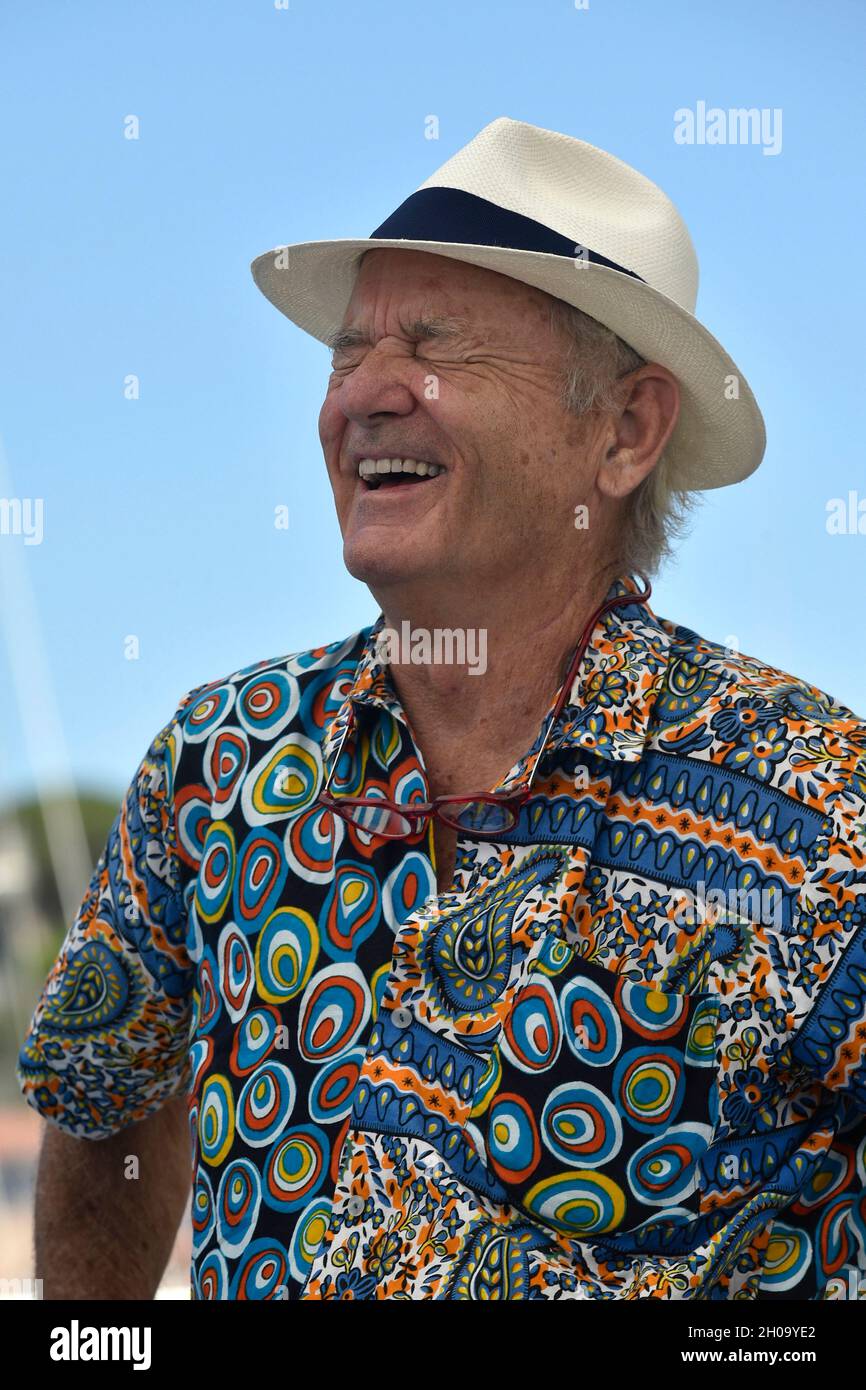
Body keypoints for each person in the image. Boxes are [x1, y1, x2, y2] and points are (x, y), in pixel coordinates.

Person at [18, 117, 866, 1301]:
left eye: (433, 349)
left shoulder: (817, 802)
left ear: (623, 429)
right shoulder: (222, 757)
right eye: (344, 354)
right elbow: (103, 1097)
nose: (359, 397)